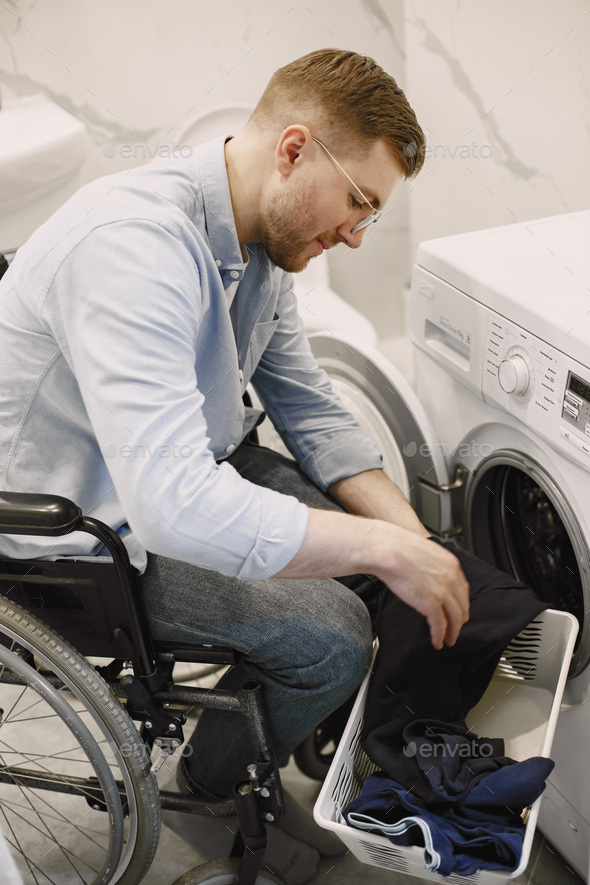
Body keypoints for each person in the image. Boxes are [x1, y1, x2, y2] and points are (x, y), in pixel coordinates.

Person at [0, 48, 469, 881]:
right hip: (80, 530)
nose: (358, 235)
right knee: (331, 635)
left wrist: (413, 538)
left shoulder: (261, 239)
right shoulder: (134, 247)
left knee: (374, 570)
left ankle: (281, 741)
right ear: (292, 150)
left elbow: (311, 407)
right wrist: (386, 550)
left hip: (175, 468)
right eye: (359, 202)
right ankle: (208, 788)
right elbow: (175, 507)